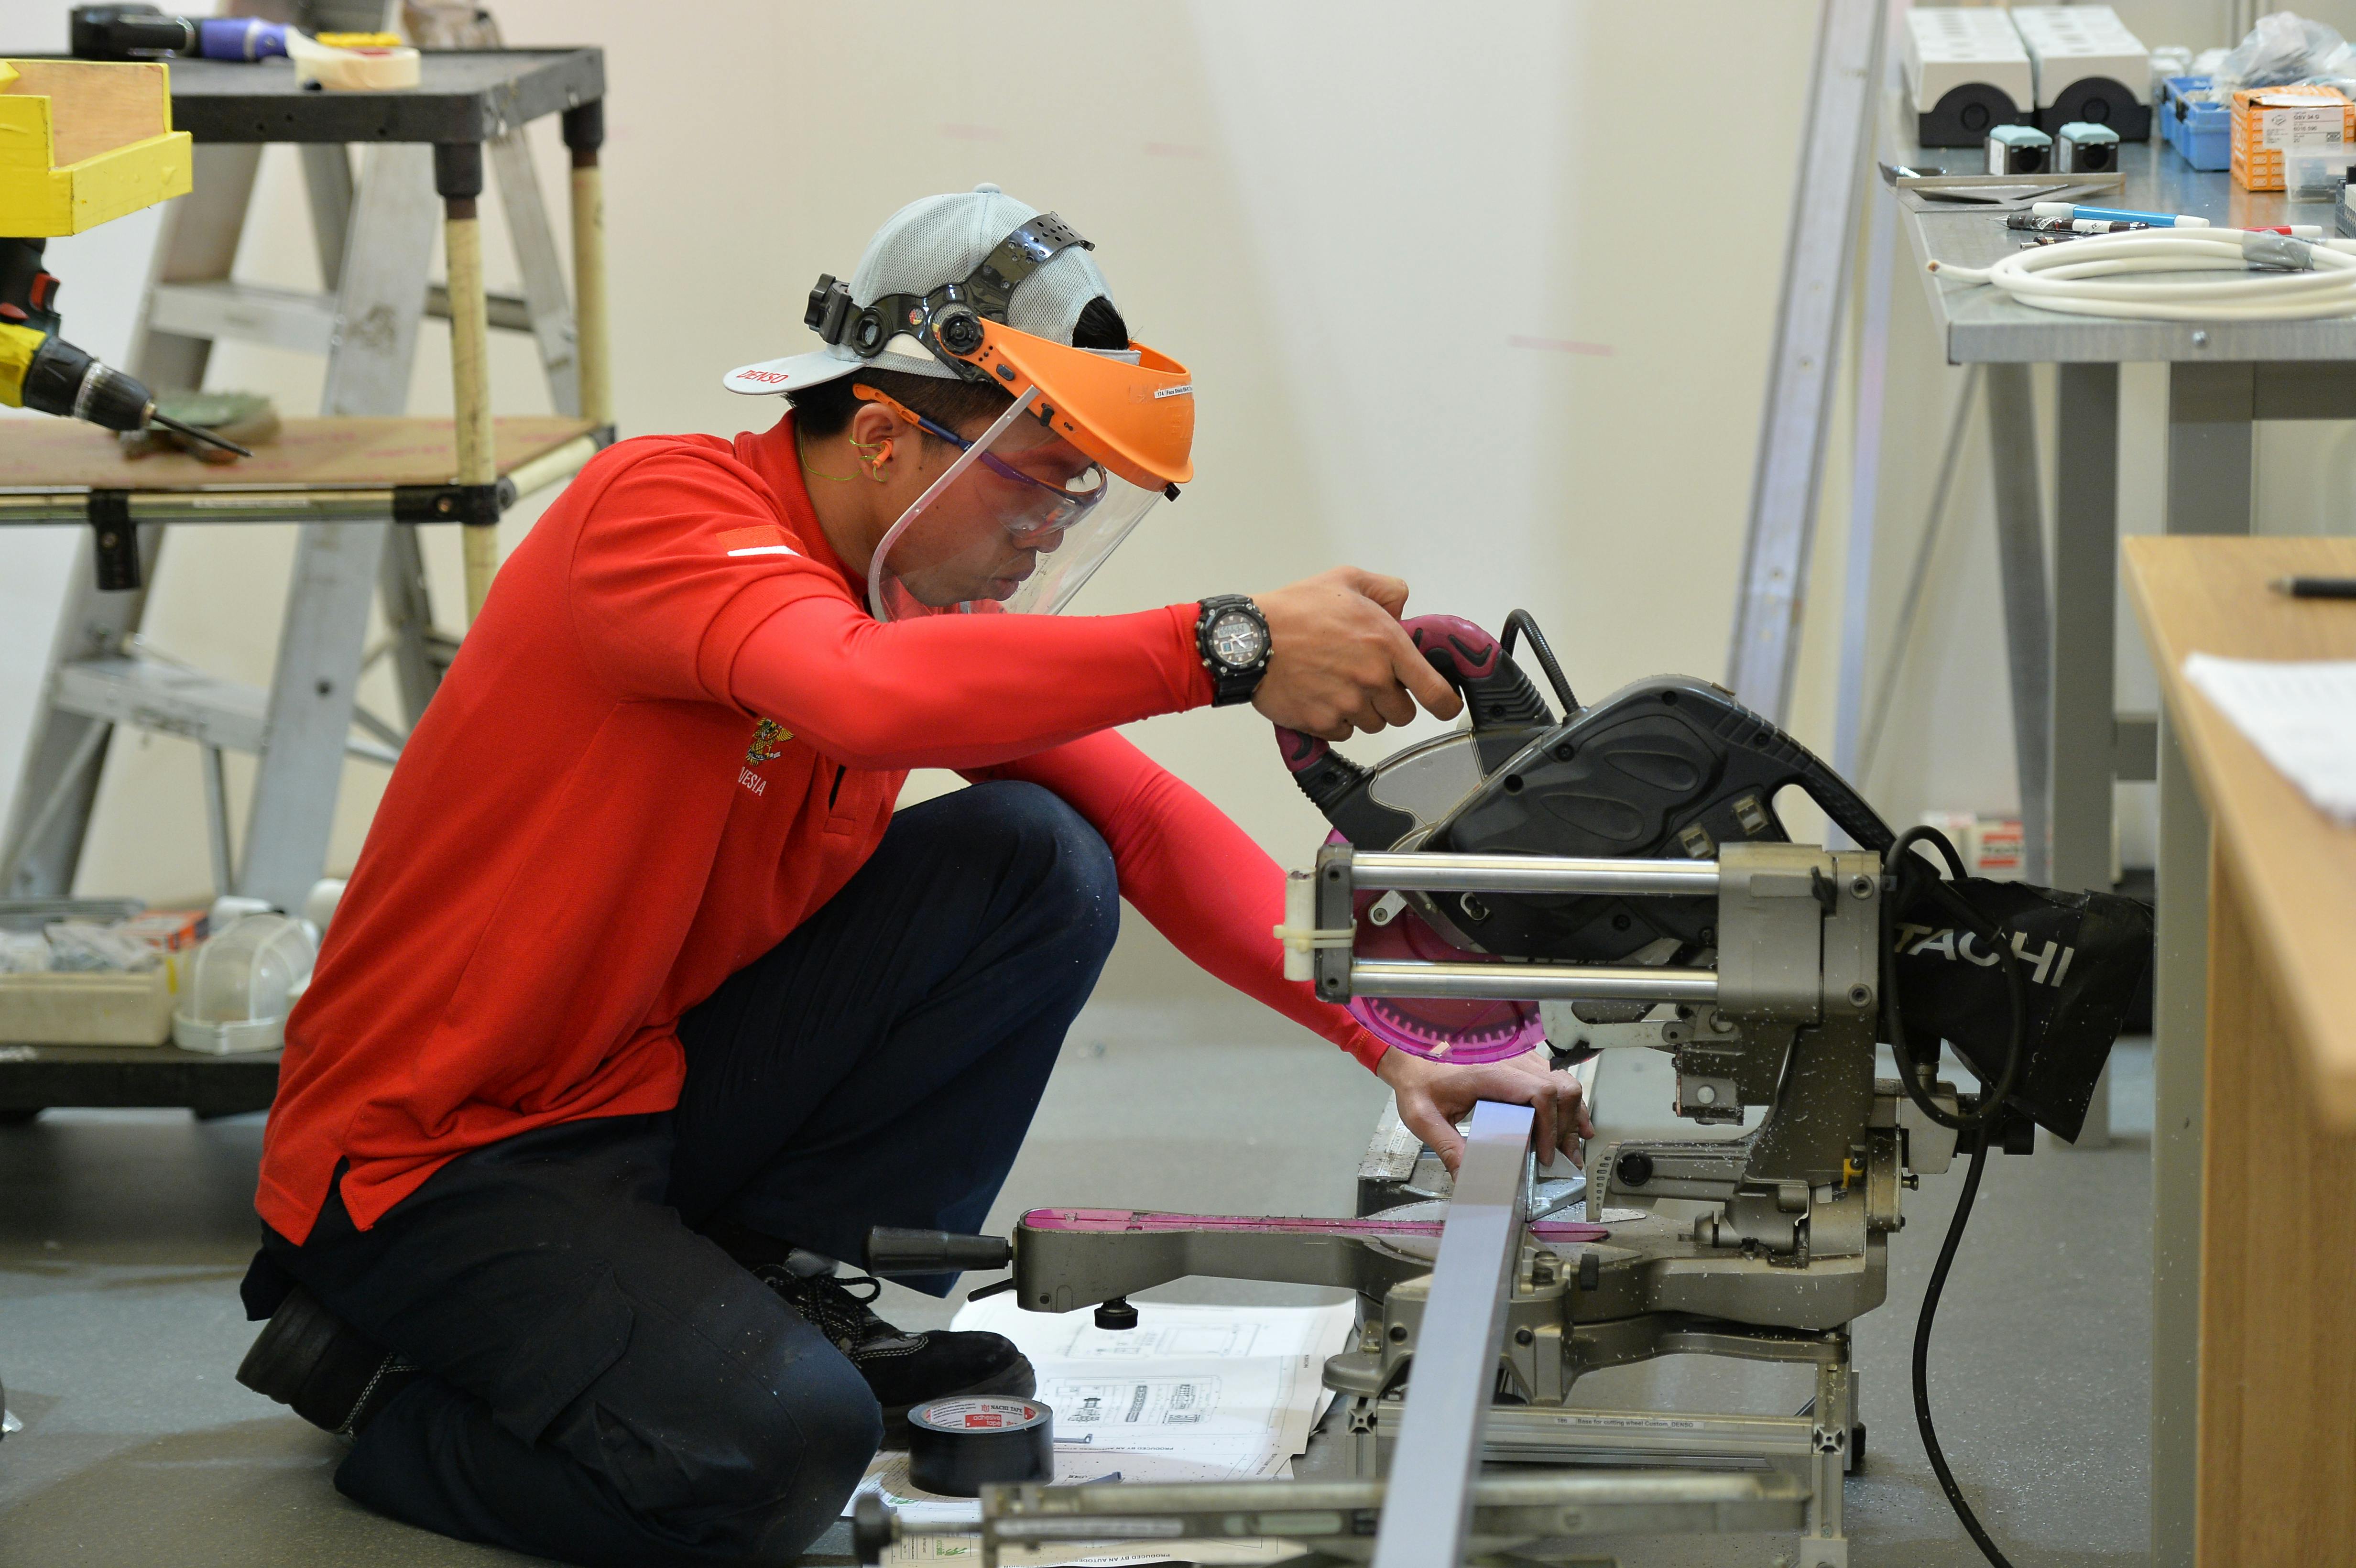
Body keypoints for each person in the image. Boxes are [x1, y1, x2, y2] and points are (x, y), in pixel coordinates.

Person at [232, 185, 1592, 1567]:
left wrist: (1391, 1044)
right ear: (883, 434)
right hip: (429, 1155)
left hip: (633, 1097)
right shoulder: (664, 510)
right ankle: (387, 1391)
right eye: (1038, 475)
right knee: (778, 1462)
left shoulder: (911, 612)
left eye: (1080, 492)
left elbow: (1139, 824)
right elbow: (854, 693)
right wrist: (1230, 644)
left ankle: (777, 1285)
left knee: (1041, 860)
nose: (1055, 526)